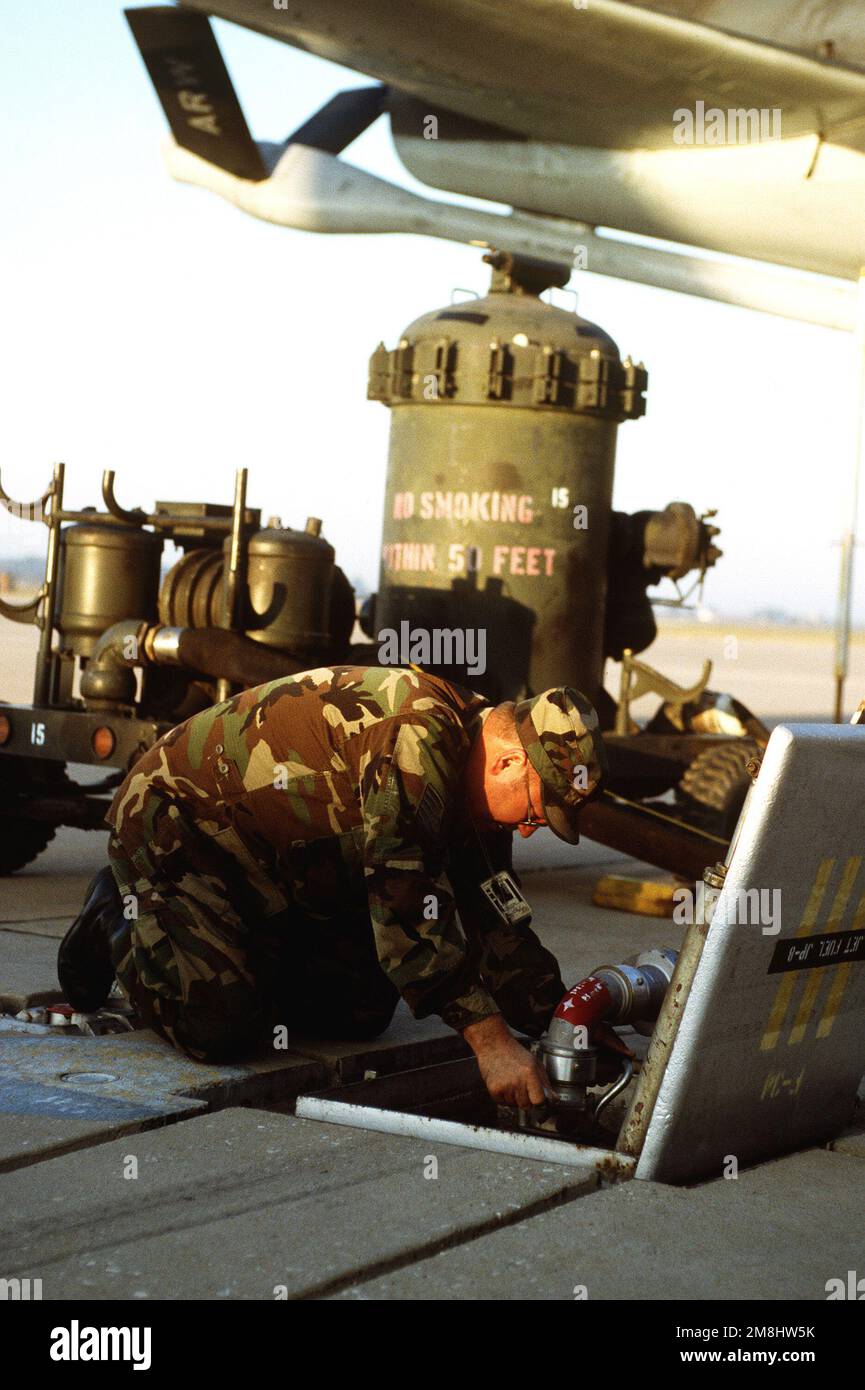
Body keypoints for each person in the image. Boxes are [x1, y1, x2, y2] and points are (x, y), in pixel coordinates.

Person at [59, 665, 606, 1109]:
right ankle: (117, 912)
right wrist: (491, 1045)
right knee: (216, 1026)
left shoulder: (482, 787)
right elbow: (405, 906)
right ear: (510, 760)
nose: (532, 827)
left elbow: (497, 925)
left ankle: (245, 950)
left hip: (276, 862)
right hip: (180, 828)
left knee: (361, 1010)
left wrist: (564, 1023)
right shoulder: (419, 737)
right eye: (538, 809)